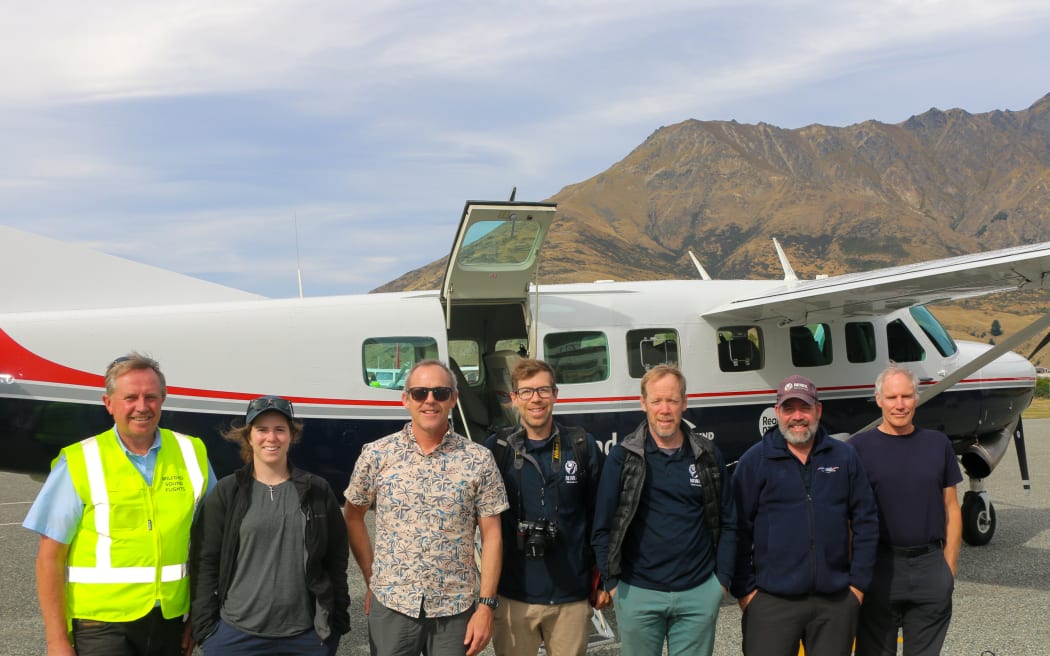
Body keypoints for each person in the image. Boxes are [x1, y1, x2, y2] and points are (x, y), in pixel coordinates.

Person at [22, 353, 214, 656]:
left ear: (163, 400)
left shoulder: (192, 452)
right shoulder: (80, 460)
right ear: (109, 403)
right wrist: (56, 640)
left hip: (170, 621)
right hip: (101, 625)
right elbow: (49, 559)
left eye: (151, 397)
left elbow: (210, 544)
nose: (142, 406)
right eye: (130, 397)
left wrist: (199, 614)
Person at [344, 359, 509, 656]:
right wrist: (372, 578)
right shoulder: (377, 454)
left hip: (454, 608)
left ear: (453, 399)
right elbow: (353, 515)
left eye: (440, 392)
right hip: (392, 604)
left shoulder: (478, 459)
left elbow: (493, 536)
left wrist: (485, 606)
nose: (430, 400)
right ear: (405, 399)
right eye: (420, 392)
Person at [590, 364, 736, 656]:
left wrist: (721, 582)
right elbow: (602, 526)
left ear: (684, 402)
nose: (665, 409)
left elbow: (729, 520)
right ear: (643, 403)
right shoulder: (623, 457)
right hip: (637, 592)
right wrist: (613, 583)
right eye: (657, 401)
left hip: (698, 592)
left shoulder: (707, 455)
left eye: (672, 400)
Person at [731, 374, 879, 656]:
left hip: (834, 604)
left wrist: (857, 586)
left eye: (805, 408)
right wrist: (747, 592)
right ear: (777, 413)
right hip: (770, 603)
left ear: (818, 411)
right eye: (789, 409)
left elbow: (866, 521)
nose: (797, 417)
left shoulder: (844, 457)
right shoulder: (754, 461)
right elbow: (737, 529)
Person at [190, 395, 350, 655]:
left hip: (306, 637)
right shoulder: (227, 492)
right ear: (249, 436)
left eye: (280, 430)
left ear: (291, 436)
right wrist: (207, 629)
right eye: (262, 429)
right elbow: (204, 560)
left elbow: (336, 558)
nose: (271, 438)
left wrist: (336, 623)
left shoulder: (317, 490)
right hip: (235, 636)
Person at [483, 358, 605, 656]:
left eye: (543, 390)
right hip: (513, 596)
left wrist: (604, 579)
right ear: (513, 399)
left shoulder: (581, 445)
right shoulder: (497, 449)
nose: (535, 399)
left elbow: (602, 518)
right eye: (526, 392)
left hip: (570, 598)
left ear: (556, 394)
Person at [850, 365, 963, 656]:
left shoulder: (937, 444)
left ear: (916, 398)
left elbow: (951, 507)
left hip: (929, 567)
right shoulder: (857, 449)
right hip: (879, 568)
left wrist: (948, 568)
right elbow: (848, 517)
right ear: (878, 400)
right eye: (892, 397)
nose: (899, 405)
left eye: (906, 396)